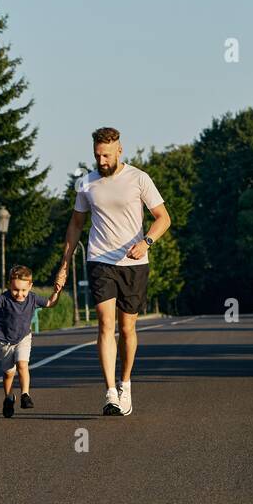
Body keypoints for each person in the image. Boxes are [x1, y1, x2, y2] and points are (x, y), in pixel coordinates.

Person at [55, 126, 172, 416]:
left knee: (127, 328)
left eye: (107, 155)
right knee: (105, 325)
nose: (102, 161)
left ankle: (125, 384)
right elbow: (76, 224)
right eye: (97, 155)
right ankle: (110, 392)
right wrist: (65, 262)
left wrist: (147, 242)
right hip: (100, 260)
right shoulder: (86, 184)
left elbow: (163, 218)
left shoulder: (139, 179)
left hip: (133, 263)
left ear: (120, 150)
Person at [0, 265, 62, 418]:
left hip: (23, 338)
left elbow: (50, 303)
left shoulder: (32, 298)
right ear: (9, 286)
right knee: (8, 374)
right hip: (4, 341)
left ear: (30, 286)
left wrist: (56, 292)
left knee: (22, 364)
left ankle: (25, 395)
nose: (19, 294)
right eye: (15, 290)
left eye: (23, 290)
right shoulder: (4, 298)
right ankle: (8, 398)